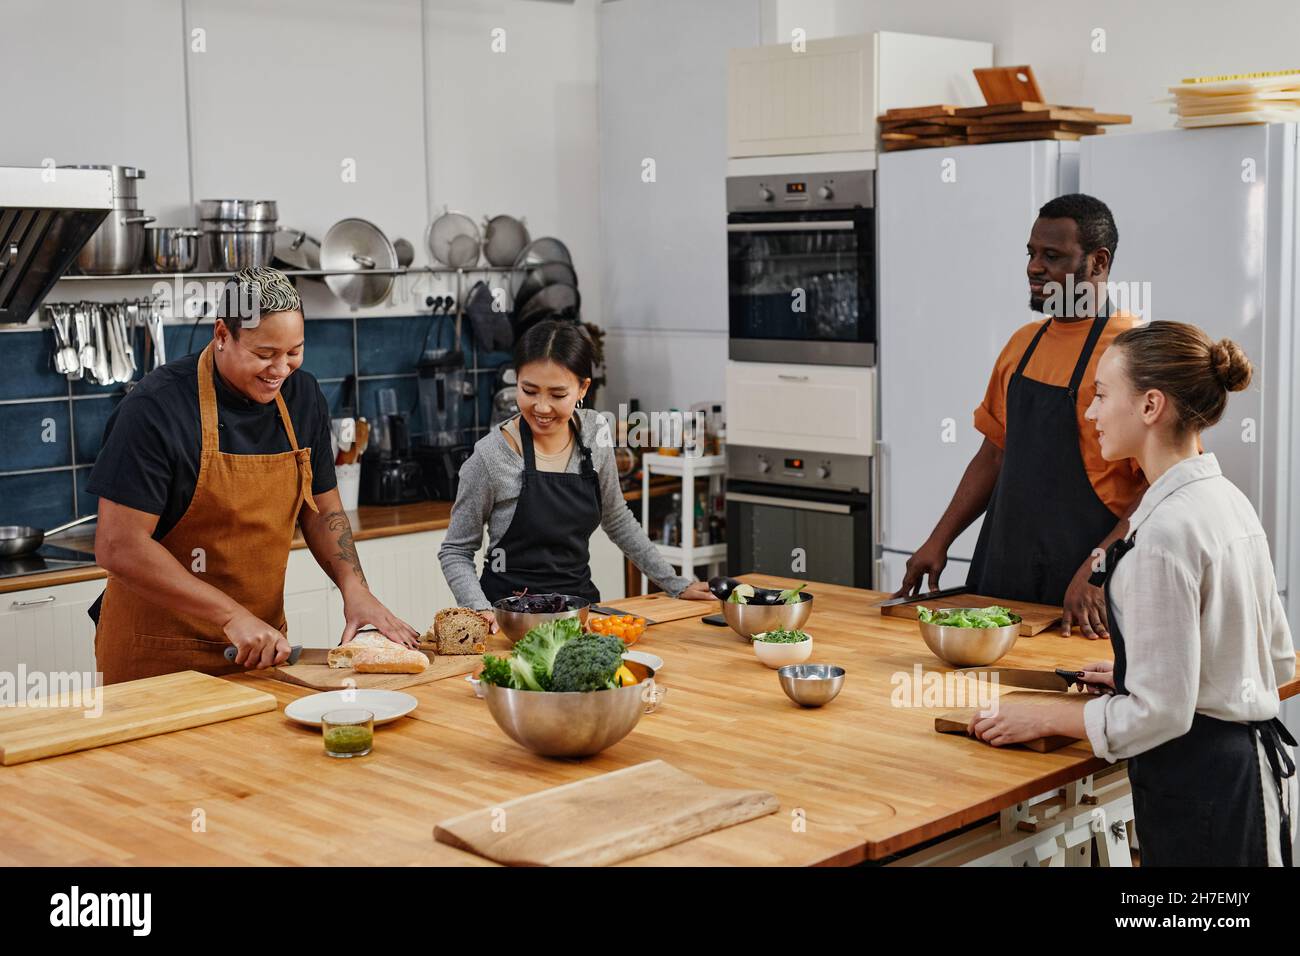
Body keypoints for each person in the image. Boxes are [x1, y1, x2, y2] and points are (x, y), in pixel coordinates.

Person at [970, 321, 1297, 865]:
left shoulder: (1163, 534)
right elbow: (1278, 661)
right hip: (1249, 784)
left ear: (1150, 406)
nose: (1091, 413)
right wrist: (1138, 671)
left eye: (1100, 396)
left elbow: (1161, 716)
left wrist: (1046, 716)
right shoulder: (1227, 501)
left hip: (1204, 794)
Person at [89, 266, 418, 684]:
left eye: (294, 351)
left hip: (258, 652)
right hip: (158, 657)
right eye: (264, 354)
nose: (280, 369)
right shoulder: (156, 408)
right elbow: (119, 546)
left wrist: (355, 588)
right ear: (222, 334)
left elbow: (321, 507)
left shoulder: (302, 396)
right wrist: (231, 615)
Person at [898, 194, 1148, 638]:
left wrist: (1095, 570)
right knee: (983, 703)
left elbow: (1160, 491)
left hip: (1084, 598)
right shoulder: (1023, 344)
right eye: (1031, 253)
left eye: (1052, 256)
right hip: (1004, 572)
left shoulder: (1135, 355)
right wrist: (939, 540)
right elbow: (993, 456)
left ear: (1098, 261)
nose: (1034, 266)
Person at [438, 319, 711, 630]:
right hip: (509, 623)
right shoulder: (490, 456)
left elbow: (617, 518)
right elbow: (456, 550)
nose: (541, 407)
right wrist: (480, 610)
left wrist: (675, 583)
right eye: (529, 391)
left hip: (581, 613)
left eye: (557, 394)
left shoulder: (595, 432)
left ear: (583, 388)